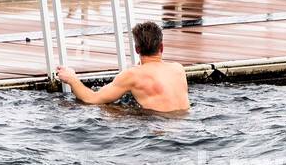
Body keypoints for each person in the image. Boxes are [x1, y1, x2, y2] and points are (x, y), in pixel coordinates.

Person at [55, 20, 189, 112]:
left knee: (108, 112)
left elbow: (92, 99)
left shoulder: (133, 75)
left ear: (137, 50)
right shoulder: (178, 69)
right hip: (184, 123)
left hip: (156, 124)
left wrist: (71, 79)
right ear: (162, 47)